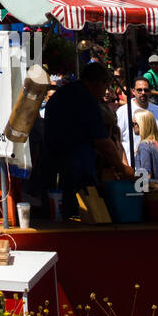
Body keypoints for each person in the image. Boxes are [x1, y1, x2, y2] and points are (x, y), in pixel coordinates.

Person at [43, 60, 123, 221]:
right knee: (77, 215)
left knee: (59, 213)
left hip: (54, 166)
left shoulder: (64, 93)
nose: (105, 91)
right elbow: (102, 142)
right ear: (99, 82)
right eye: (105, 86)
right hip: (76, 170)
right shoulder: (86, 100)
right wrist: (121, 168)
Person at [122, 79, 158, 167]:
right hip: (133, 170)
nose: (143, 92)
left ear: (150, 92)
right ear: (133, 91)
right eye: (139, 90)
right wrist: (126, 168)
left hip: (157, 171)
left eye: (146, 90)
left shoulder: (157, 110)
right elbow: (117, 142)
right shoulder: (123, 111)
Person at [132, 110, 158, 182]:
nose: (132, 126)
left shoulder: (144, 146)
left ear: (142, 124)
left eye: (134, 123)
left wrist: (141, 190)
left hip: (150, 190)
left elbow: (146, 175)